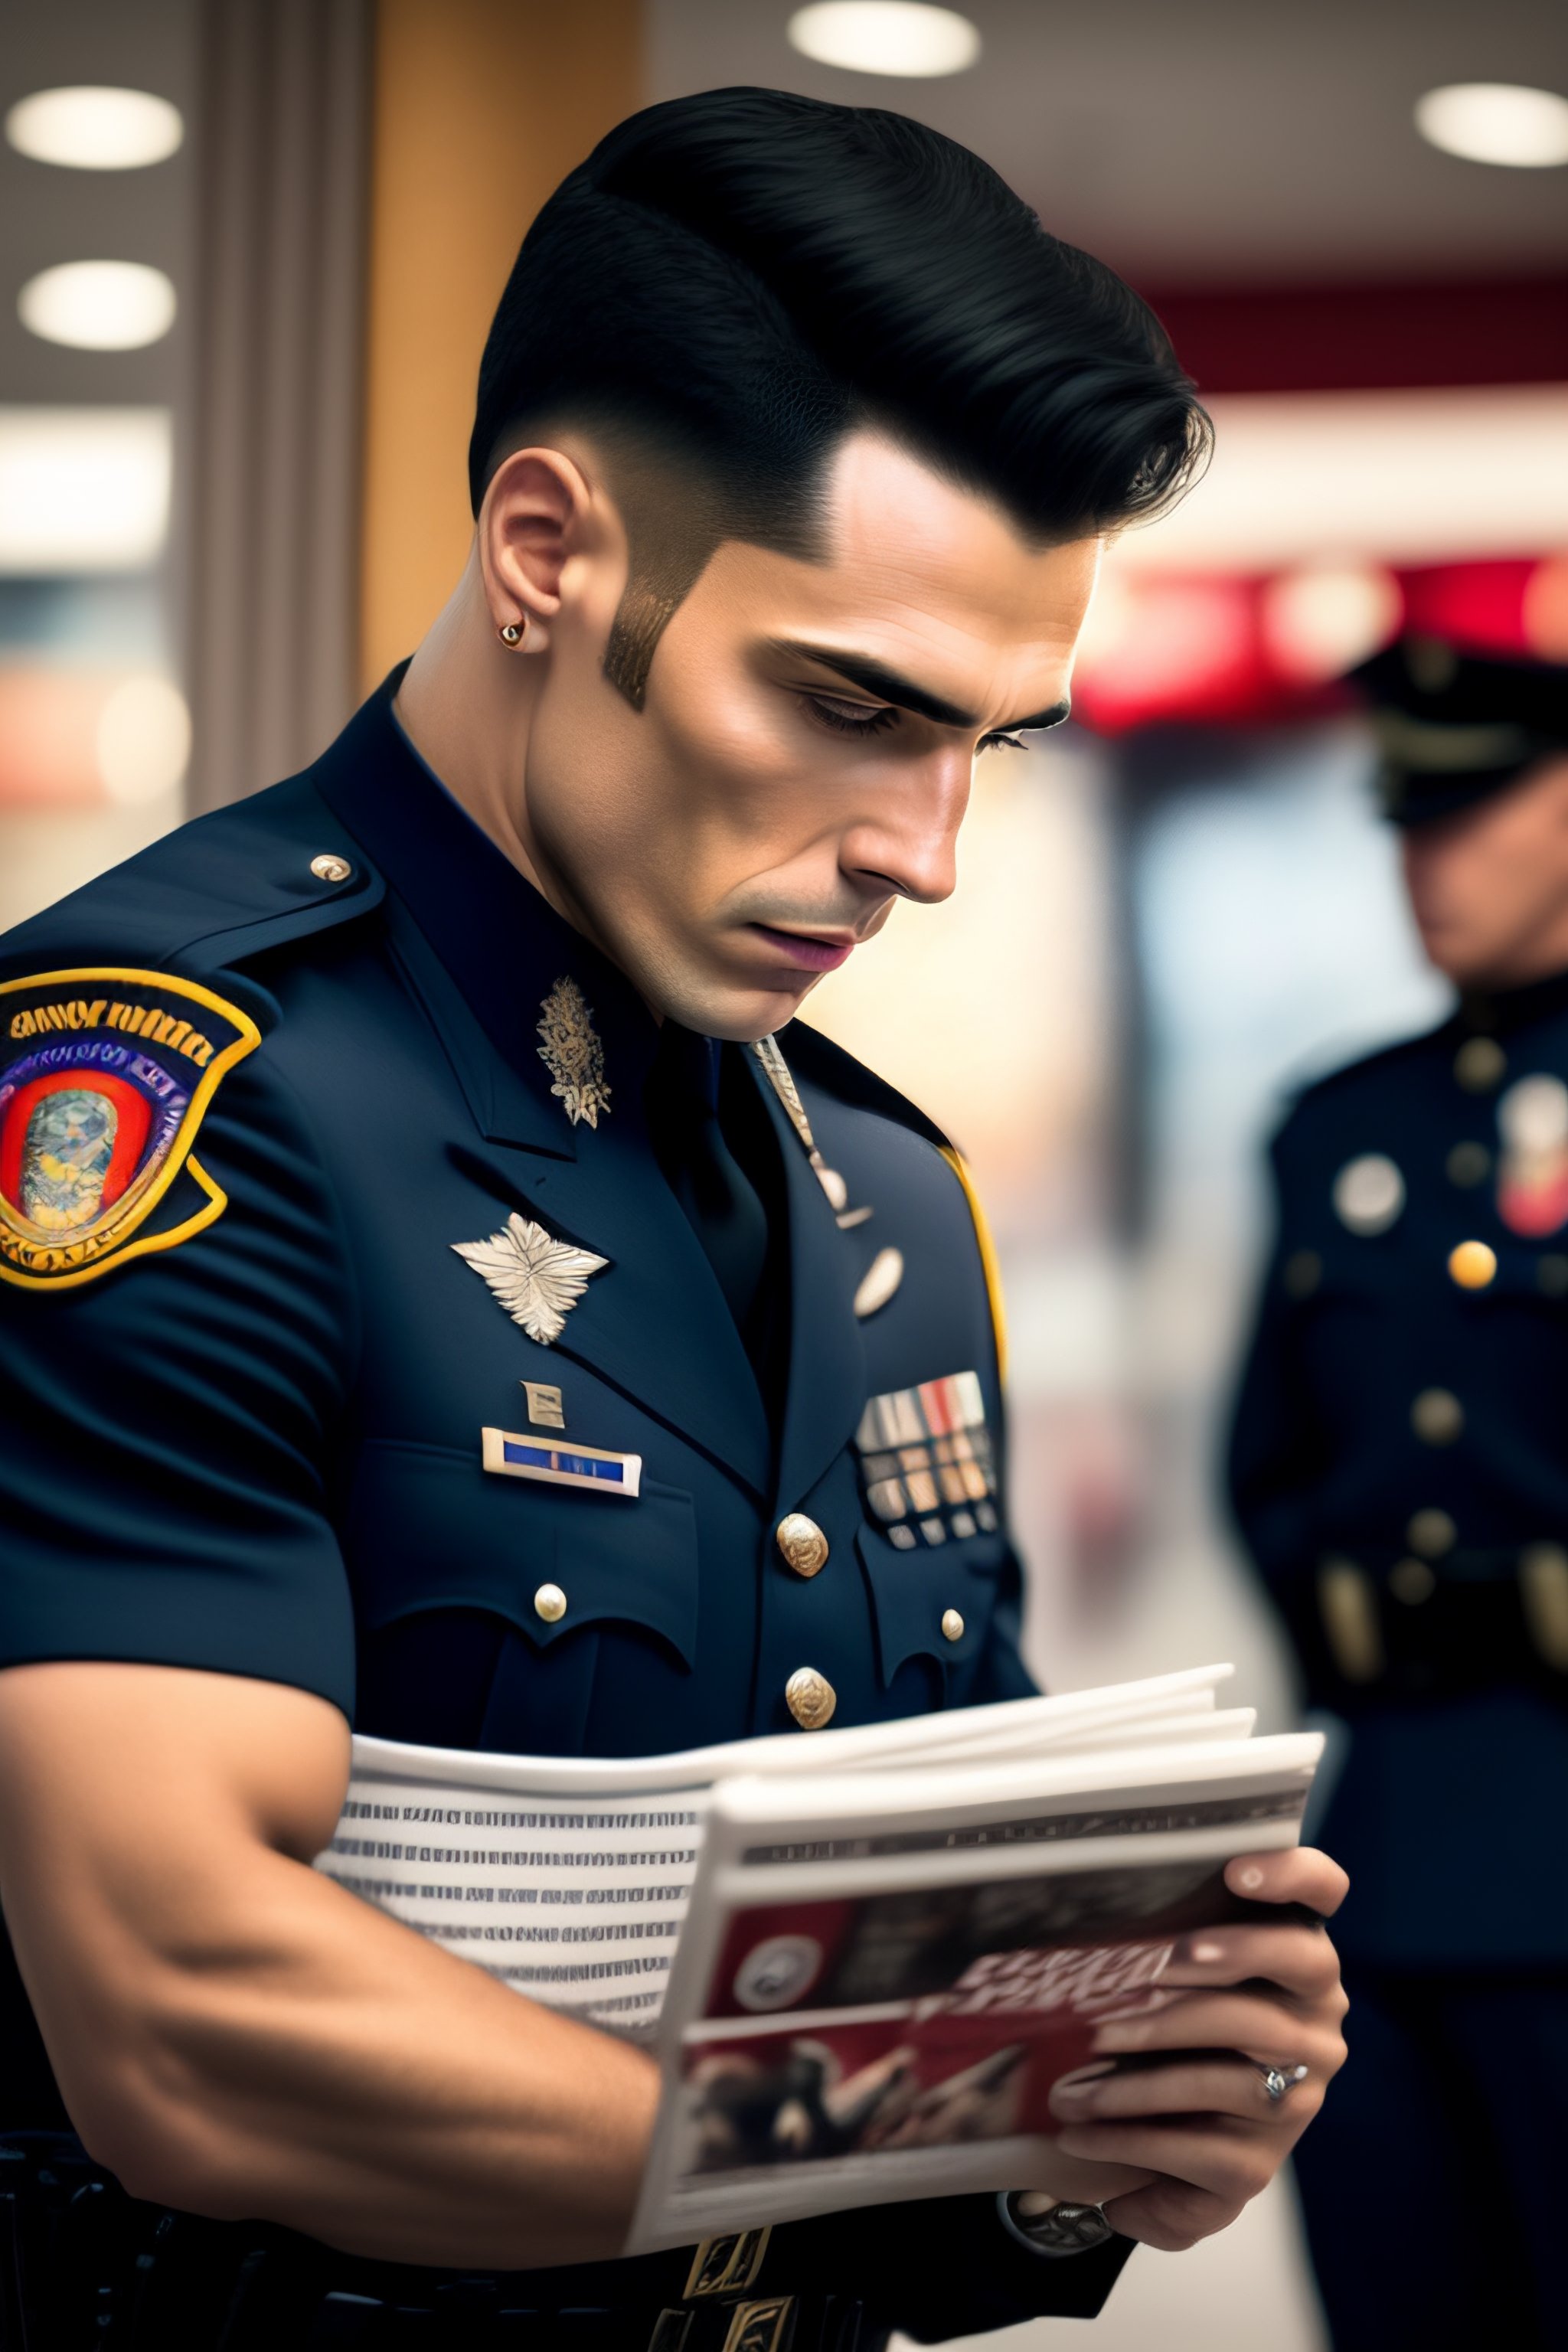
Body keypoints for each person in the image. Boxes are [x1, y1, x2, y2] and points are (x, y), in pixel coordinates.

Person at [0, 88, 1348, 2352]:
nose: (924, 849)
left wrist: (1108, 2123)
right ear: (548, 547)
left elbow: (960, 1997)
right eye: (846, 703)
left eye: (989, 745)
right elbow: (185, 2014)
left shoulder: (888, 1192)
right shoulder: (171, 1093)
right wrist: (922, 2124)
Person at [1228, 635, 1568, 2352]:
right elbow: (1266, 1465)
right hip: (1384, 1858)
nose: (1420, 859)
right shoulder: (1331, 1126)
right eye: (1400, 821)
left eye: (1467, 813)